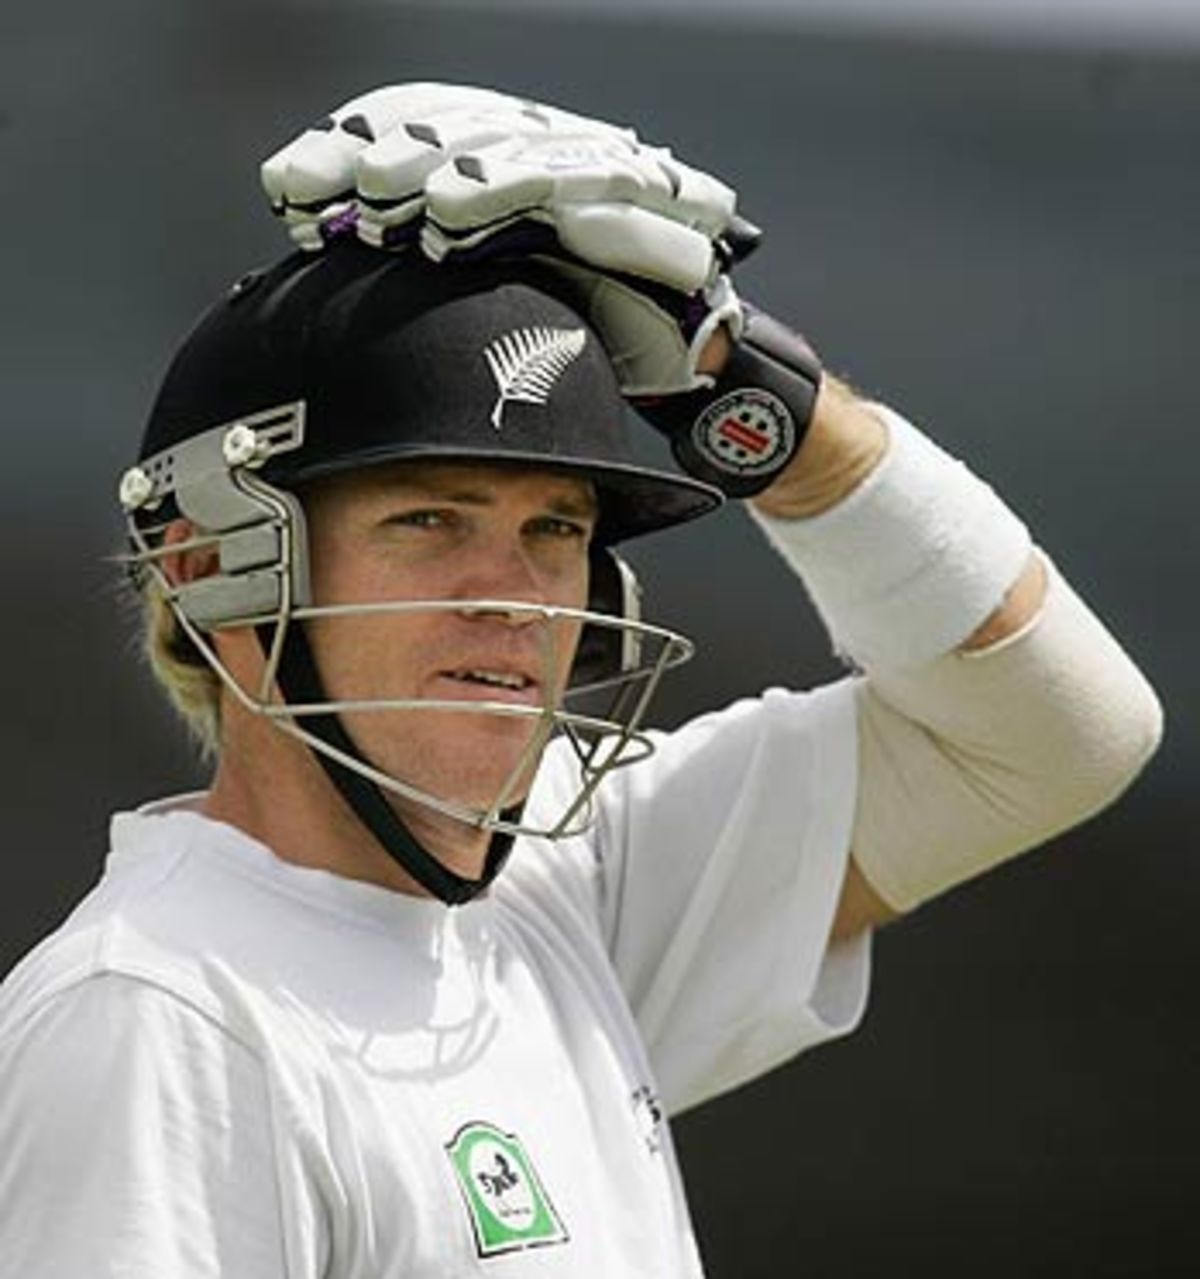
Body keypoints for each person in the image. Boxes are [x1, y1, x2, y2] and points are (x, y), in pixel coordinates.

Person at [0, 85, 1162, 1276]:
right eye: (429, 519)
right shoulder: (159, 1020)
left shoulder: (558, 887)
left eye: (554, 528)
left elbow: (1056, 731)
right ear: (208, 567)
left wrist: (739, 389)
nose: (514, 594)